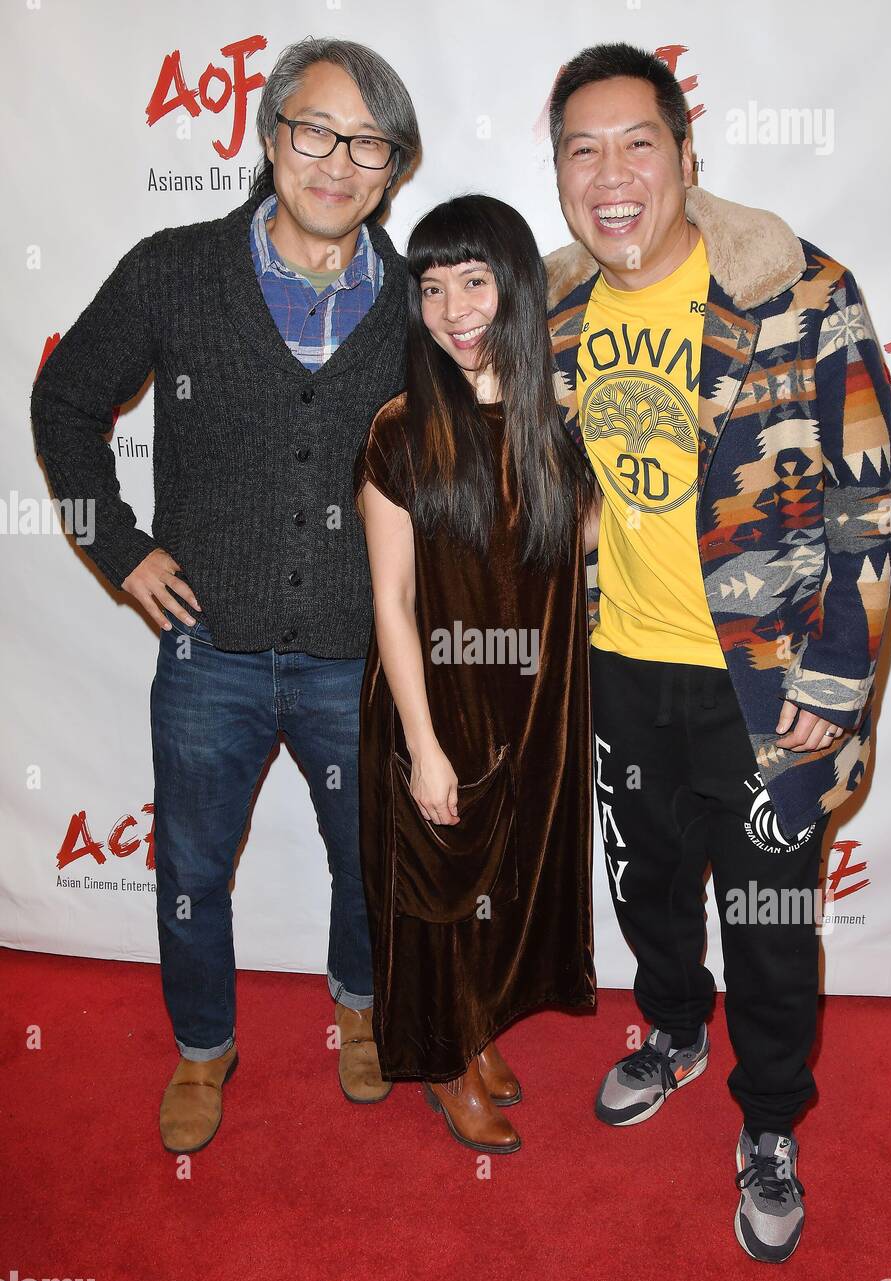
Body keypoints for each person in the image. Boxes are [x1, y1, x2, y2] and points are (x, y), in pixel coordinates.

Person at [543, 43, 891, 1259]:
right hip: (618, 667)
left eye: (635, 143)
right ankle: (671, 1029)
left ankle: (768, 1120)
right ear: (558, 173)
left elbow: (868, 492)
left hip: (765, 686)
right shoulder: (551, 308)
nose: (611, 175)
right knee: (646, 888)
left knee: (764, 911)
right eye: (580, 150)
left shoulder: (798, 293)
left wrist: (836, 679)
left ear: (686, 159)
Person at [29, 38, 421, 1153]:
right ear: (266, 134)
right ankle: (204, 1049)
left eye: (368, 143)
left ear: (391, 169)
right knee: (193, 868)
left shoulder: (415, 303)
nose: (337, 161)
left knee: (367, 858)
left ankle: (358, 1003)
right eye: (315, 130)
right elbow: (65, 403)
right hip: (211, 652)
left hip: (357, 650)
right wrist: (121, 549)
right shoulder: (175, 267)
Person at [354, 194, 600, 1154]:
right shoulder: (402, 430)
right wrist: (421, 746)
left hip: (532, 704)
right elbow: (391, 602)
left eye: (476, 282)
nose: (454, 309)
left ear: (518, 291)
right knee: (441, 892)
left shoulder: (553, 428)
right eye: (432, 287)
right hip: (435, 704)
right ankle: (444, 1063)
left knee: (508, 878)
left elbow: (577, 550)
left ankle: (478, 1024)